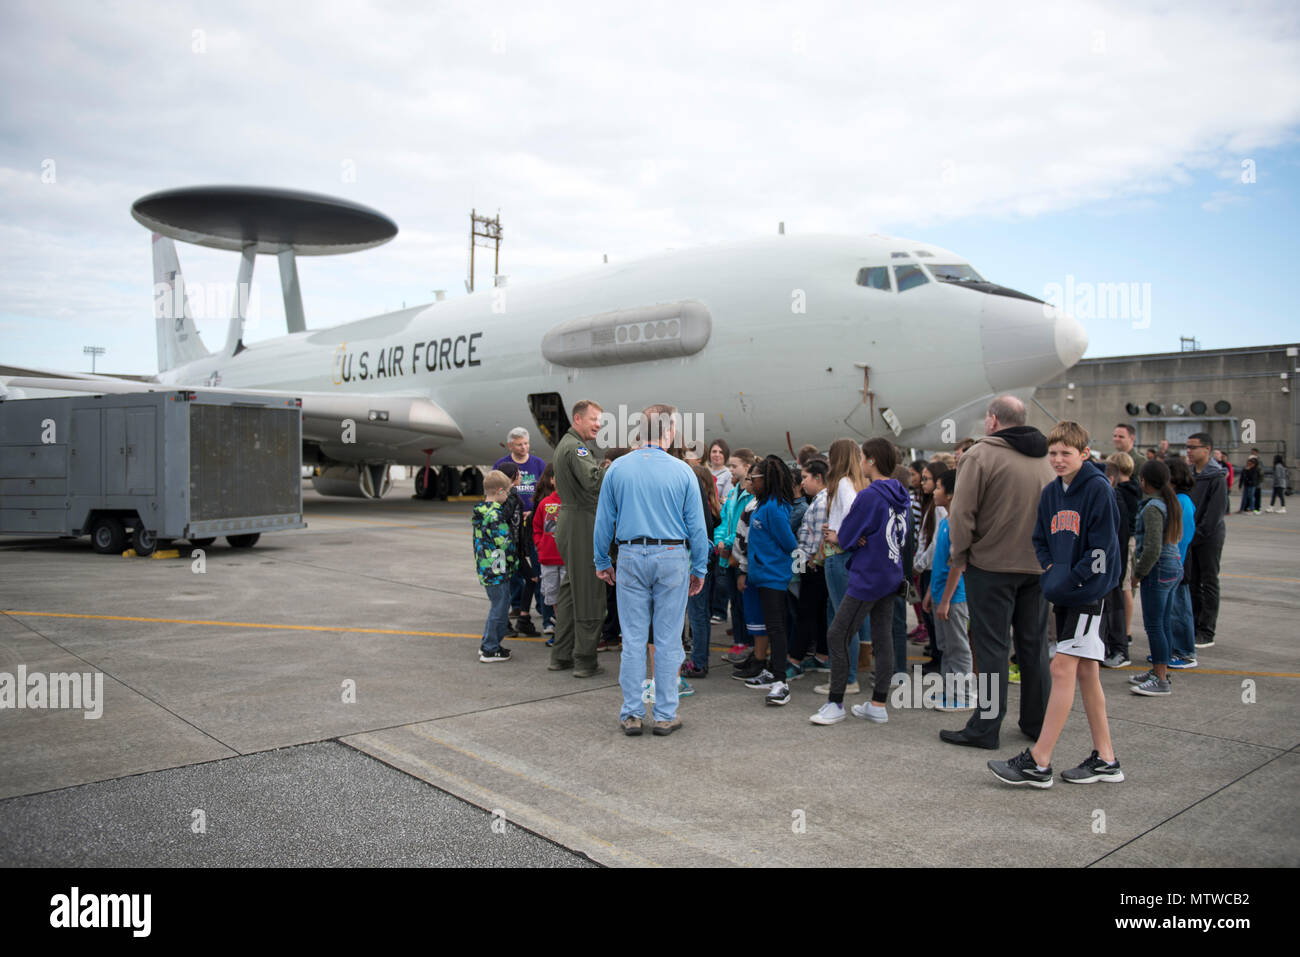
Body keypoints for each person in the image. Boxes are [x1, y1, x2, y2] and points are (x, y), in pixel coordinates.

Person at [988, 421, 1123, 786]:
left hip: (1087, 594)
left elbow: (1103, 548)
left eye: (1066, 453)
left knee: (1062, 669)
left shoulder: (1097, 489)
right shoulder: (1051, 492)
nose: (1059, 459)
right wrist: (1050, 570)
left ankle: (1038, 761)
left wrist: (1074, 578)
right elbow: (1040, 537)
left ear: (1084, 454)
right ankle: (1106, 759)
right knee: (1085, 673)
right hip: (1062, 591)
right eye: (1053, 453)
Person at [940, 395, 1054, 750]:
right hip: (1037, 567)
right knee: (1033, 647)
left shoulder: (980, 455)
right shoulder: (1047, 459)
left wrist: (959, 556)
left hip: (991, 567)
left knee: (992, 649)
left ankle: (986, 727)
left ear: (992, 421)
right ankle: (1038, 722)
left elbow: (962, 513)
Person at [593, 405, 709, 736]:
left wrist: (602, 561)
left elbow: (604, 521)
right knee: (668, 638)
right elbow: (697, 528)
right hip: (672, 554)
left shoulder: (617, 469)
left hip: (630, 555)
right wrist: (699, 567)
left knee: (632, 639)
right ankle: (664, 713)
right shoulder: (683, 471)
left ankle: (631, 713)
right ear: (668, 432)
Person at [809, 438, 908, 726]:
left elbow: (848, 534)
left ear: (872, 460)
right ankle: (878, 703)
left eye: (864, 456)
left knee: (837, 634)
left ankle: (836, 701)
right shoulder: (900, 493)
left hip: (868, 575)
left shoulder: (870, 495)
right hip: (891, 572)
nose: (860, 460)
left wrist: (838, 535)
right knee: (882, 638)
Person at [549, 399, 607, 678]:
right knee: (589, 594)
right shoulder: (577, 447)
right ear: (577, 419)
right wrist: (615, 467)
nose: (598, 424)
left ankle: (561, 655)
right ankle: (584, 659)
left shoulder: (566, 445)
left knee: (571, 591)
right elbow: (594, 481)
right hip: (582, 521)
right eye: (594, 419)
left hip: (571, 520)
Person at [738, 455, 801, 704]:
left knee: (776, 628)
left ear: (767, 480)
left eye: (755, 478)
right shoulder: (764, 505)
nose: (751, 482)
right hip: (761, 576)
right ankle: (771, 672)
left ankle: (780, 682)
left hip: (773, 577)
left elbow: (789, 543)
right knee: (767, 625)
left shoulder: (774, 508)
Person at [817, 438, 870, 696]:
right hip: (844, 556)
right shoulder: (855, 483)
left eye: (830, 455)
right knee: (843, 618)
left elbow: (852, 513)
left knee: (842, 621)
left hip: (839, 556)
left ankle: (847, 679)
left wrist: (839, 535)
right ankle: (846, 675)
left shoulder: (841, 483)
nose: (827, 460)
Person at [1127, 460, 1185, 696]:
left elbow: (1151, 547)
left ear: (1143, 481)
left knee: (1154, 625)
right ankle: (1158, 671)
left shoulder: (1152, 507)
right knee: (1163, 623)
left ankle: (1160, 679)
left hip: (1158, 569)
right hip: (1173, 565)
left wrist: (1138, 574)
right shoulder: (1169, 503)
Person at [926, 469, 974, 710]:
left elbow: (958, 566)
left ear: (952, 493)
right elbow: (939, 563)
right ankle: (949, 691)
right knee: (946, 647)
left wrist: (945, 600)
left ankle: (964, 695)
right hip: (940, 594)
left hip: (953, 598)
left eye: (938, 487)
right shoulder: (945, 520)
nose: (934, 492)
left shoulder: (957, 523)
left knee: (958, 647)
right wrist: (930, 594)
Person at [494, 427, 547, 636]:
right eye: (519, 444)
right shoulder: (502, 465)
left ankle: (540, 607)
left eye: (526, 443)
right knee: (511, 573)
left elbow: (543, 490)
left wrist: (532, 512)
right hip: (510, 532)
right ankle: (515, 609)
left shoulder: (538, 464)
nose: (524, 447)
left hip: (532, 522)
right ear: (510, 446)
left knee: (536, 567)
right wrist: (515, 512)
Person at [1184, 433, 1227, 649]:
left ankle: (1206, 631)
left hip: (1209, 538)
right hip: (1191, 537)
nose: (1189, 451)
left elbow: (1215, 514)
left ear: (1207, 450)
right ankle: (1193, 626)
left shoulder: (1216, 477)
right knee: (1192, 582)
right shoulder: (1191, 475)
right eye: (1187, 447)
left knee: (1209, 581)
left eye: (1193, 447)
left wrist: (1196, 535)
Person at [472, 470, 517, 663]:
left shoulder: (480, 511)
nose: (507, 497)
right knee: (500, 607)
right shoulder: (496, 515)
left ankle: (488, 643)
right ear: (500, 491)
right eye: (507, 492)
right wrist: (514, 561)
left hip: (485, 566)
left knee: (496, 605)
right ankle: (491, 648)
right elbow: (504, 542)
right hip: (497, 568)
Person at [716, 449, 756, 660]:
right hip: (728, 555)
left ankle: (747, 643)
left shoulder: (750, 494)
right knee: (735, 601)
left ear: (747, 467)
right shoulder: (733, 493)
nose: (730, 470)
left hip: (740, 554)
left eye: (734, 466)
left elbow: (742, 526)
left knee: (743, 602)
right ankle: (739, 642)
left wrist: (729, 541)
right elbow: (725, 520)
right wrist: (719, 541)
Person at [682, 462, 721, 678]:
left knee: (697, 614)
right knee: (701, 614)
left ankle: (698, 662)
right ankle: (699, 658)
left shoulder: (697, 510)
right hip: (707, 561)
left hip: (696, 563)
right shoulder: (710, 507)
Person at [1101, 452, 1140, 668]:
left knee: (1122, 591)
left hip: (1123, 547)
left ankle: (1122, 639)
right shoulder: (1131, 491)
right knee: (1122, 591)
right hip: (1123, 546)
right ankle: (1122, 636)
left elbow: (1120, 530)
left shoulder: (1119, 496)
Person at [1165, 458, 1198, 669]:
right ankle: (1176, 649)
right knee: (1173, 609)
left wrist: (1177, 563)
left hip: (1179, 562)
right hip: (1177, 562)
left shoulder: (1182, 501)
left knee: (1180, 610)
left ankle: (1186, 652)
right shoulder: (1178, 500)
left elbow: (1182, 537)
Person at [531, 464, 563, 643]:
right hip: (548, 559)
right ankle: (558, 627)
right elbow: (536, 527)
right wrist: (540, 544)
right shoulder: (545, 503)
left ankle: (564, 630)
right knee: (552, 594)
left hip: (566, 559)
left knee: (567, 595)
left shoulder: (573, 503)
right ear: (552, 481)